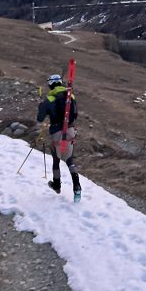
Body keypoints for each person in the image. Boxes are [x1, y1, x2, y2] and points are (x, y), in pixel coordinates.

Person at [36, 73, 81, 201]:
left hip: (56, 132)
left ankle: (57, 184)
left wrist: (41, 108)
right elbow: (75, 114)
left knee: (56, 159)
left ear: (50, 85)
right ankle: (77, 187)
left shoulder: (49, 100)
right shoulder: (70, 96)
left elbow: (40, 118)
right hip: (71, 131)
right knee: (69, 159)